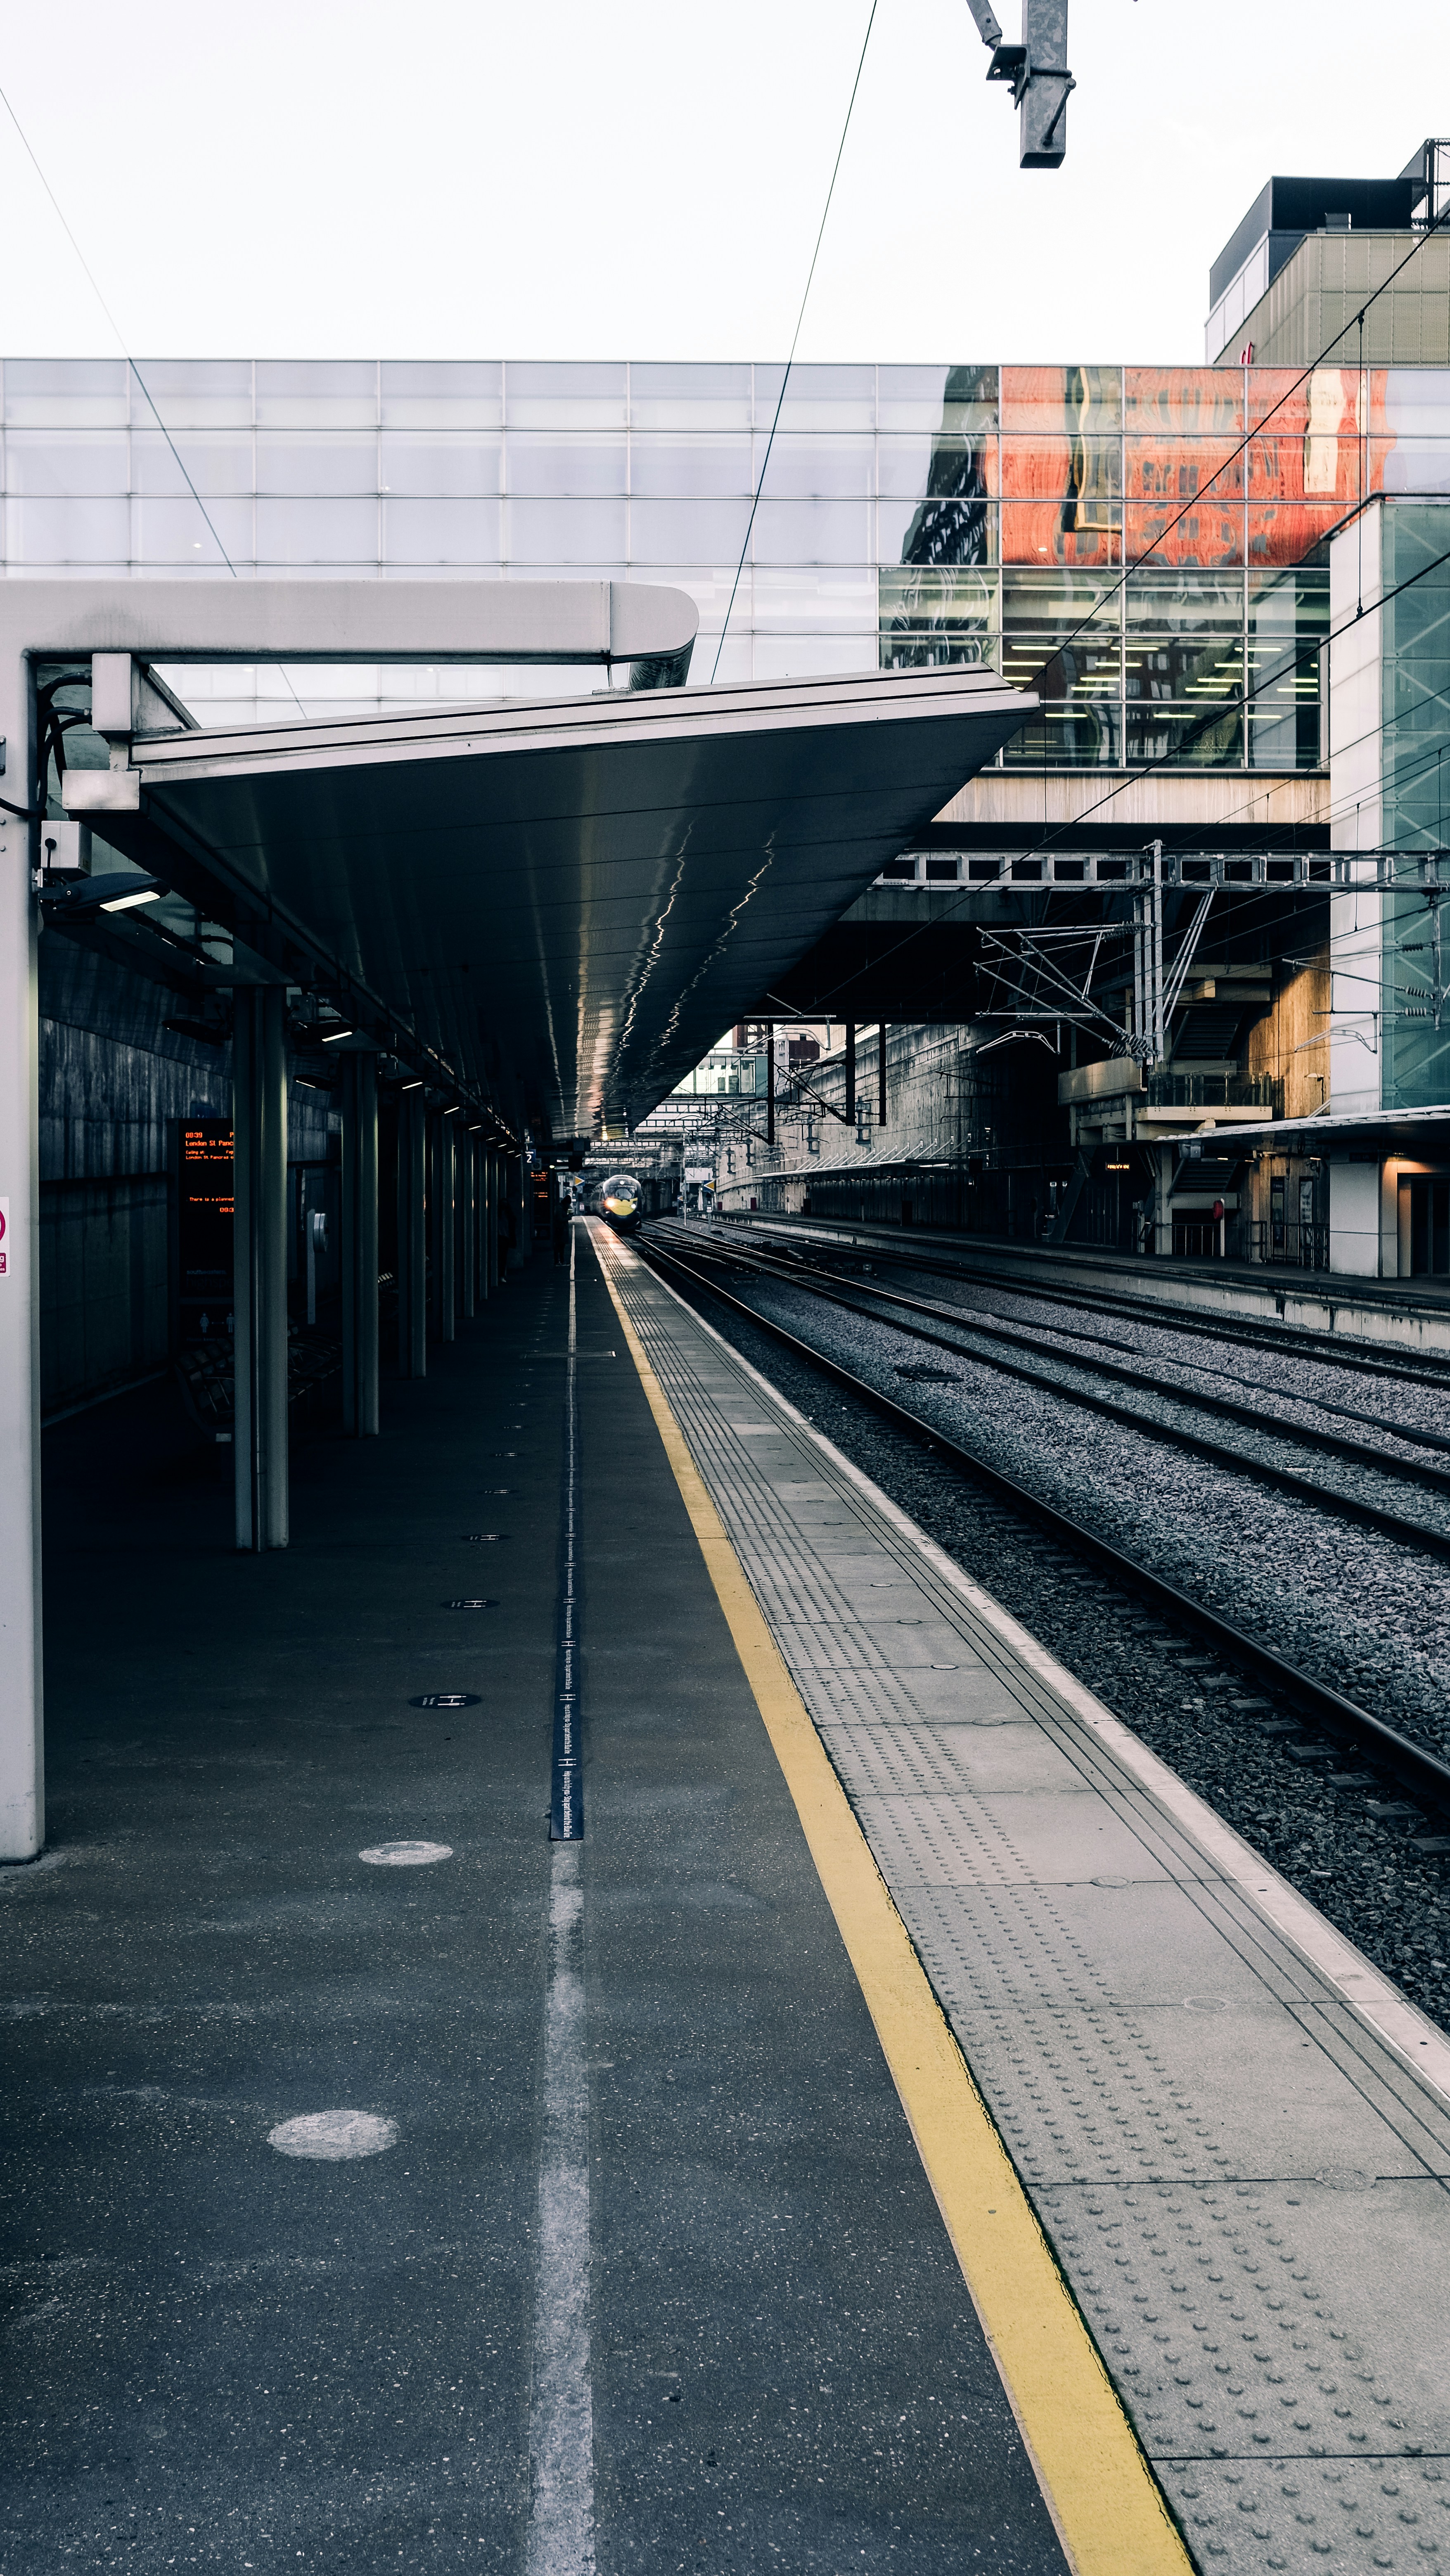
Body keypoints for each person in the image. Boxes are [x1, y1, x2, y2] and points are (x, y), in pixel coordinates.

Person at [552, 1201, 570, 1266]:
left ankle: (561, 1261)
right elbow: (560, 1219)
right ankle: (558, 1262)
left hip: (561, 1231)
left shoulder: (561, 1208)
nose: (569, 1206)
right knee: (559, 1247)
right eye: (568, 1204)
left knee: (561, 1247)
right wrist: (568, 1217)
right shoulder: (560, 1209)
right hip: (560, 1231)